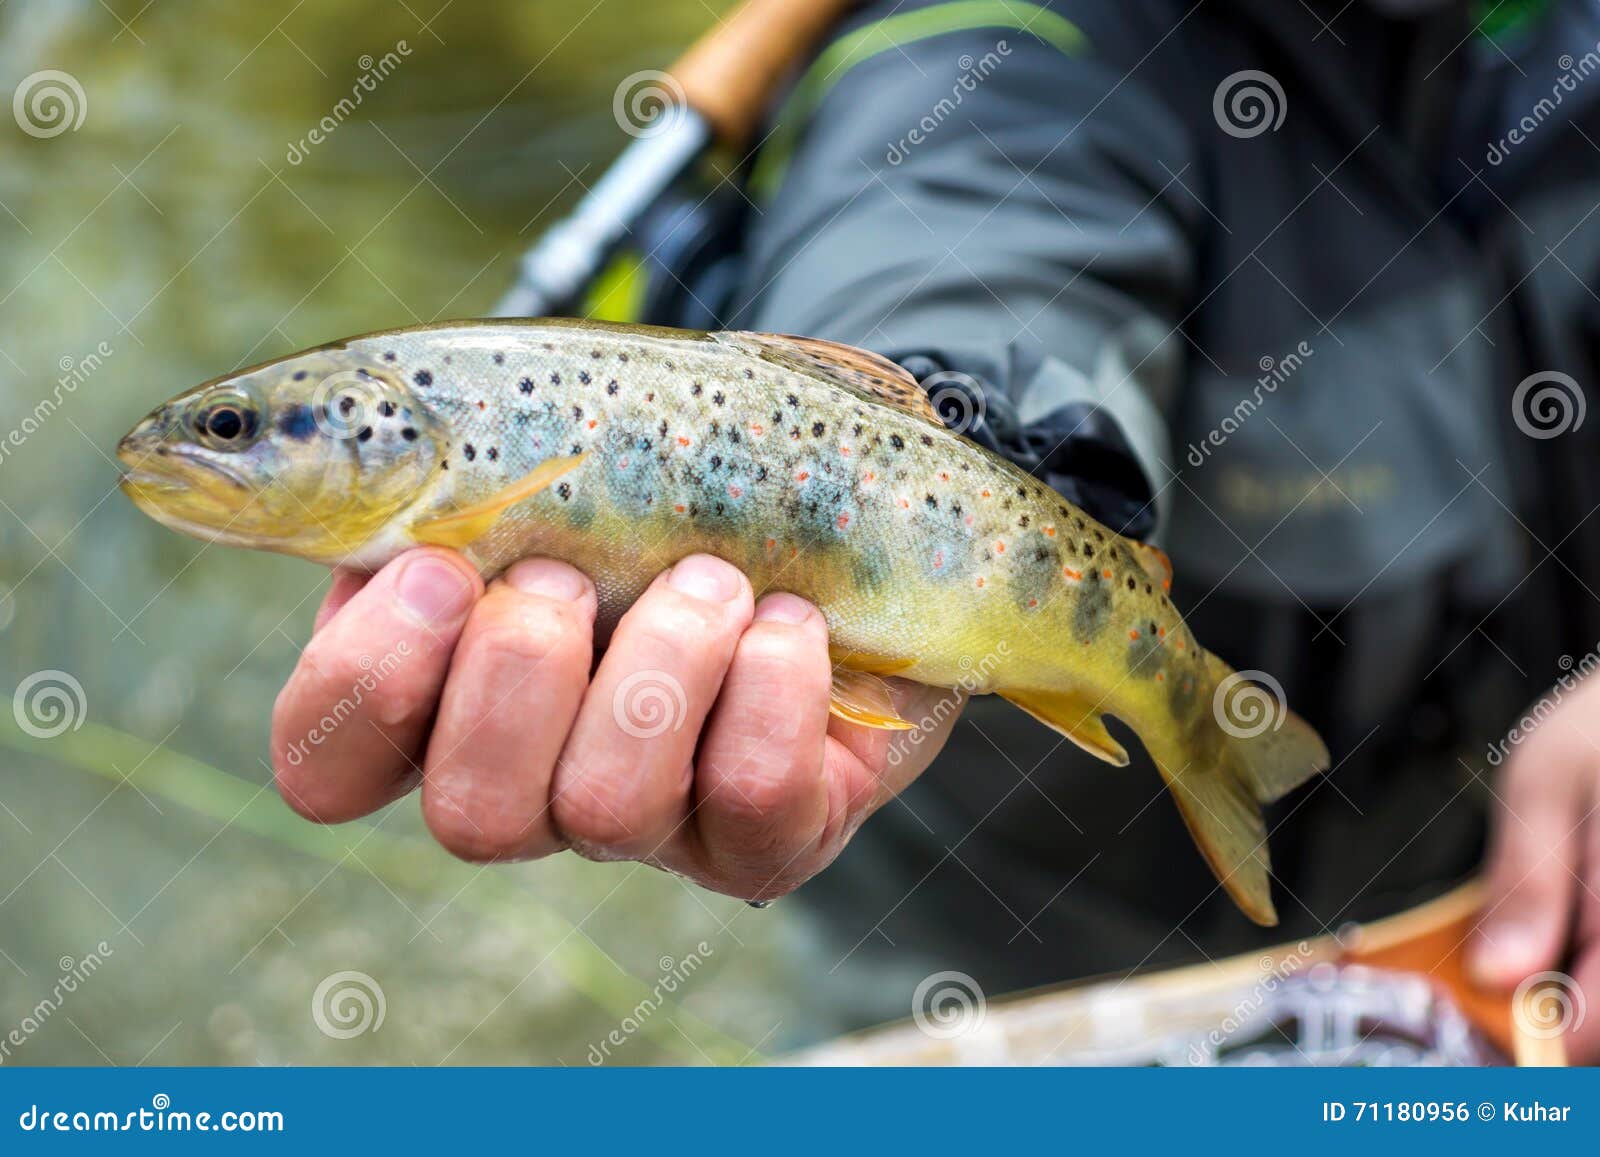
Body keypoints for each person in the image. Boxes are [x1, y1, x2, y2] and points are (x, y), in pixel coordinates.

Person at [269, 0, 1600, 1058]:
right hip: (995, 980)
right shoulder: (1001, 44)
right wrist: (968, 440)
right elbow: (959, 232)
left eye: (246, 434)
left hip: (1497, 942)